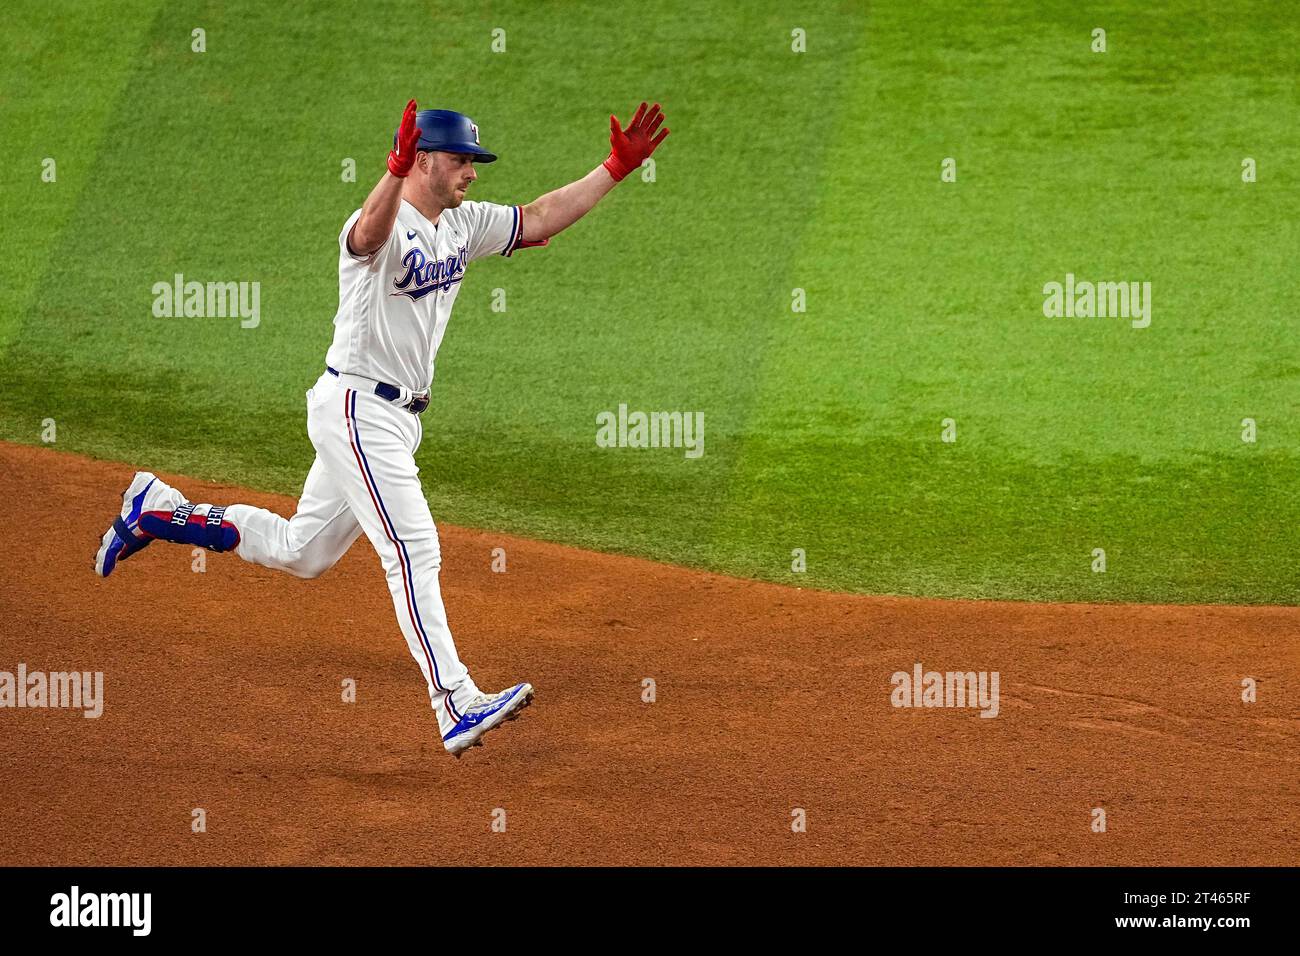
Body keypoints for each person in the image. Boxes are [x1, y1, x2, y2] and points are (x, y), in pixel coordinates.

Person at [94, 99, 670, 756]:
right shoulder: (383, 226)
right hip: (357, 409)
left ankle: (157, 509)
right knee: (413, 549)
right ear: (422, 160)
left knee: (302, 551)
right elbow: (367, 232)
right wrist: (390, 174)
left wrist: (615, 169)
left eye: (475, 164)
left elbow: (539, 217)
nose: (473, 174)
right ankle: (454, 700)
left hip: (395, 421)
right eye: (461, 161)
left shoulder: (463, 225)